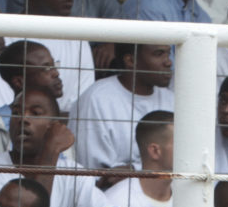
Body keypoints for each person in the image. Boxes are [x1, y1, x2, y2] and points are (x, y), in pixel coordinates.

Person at [70, 42, 175, 174]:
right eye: (158, 54)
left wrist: (134, 169)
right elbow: (94, 172)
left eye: (168, 54)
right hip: (107, 192)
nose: (169, 63)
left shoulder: (173, 100)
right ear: (130, 61)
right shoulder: (96, 99)